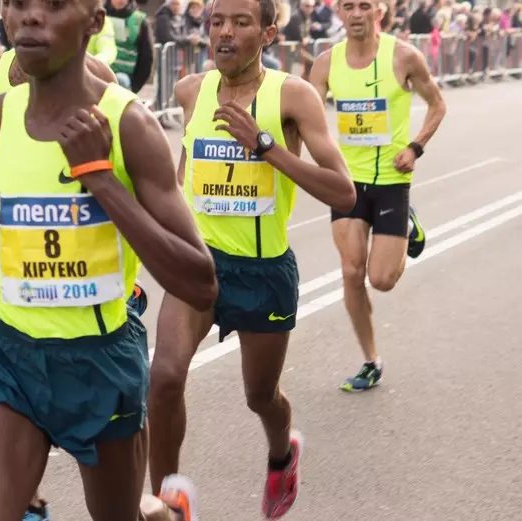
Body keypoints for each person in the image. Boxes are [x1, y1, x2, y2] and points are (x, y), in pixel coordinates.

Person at [0, 0, 215, 518]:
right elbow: (8, 206)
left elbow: (200, 282)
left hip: (99, 360)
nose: (30, 17)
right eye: (18, 5)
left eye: (54, 6)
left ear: (93, 21)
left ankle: (165, 511)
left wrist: (103, 179)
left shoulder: (127, 122)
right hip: (6, 351)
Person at [147, 0, 358, 518]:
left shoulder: (294, 95)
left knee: (261, 396)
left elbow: (344, 193)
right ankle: (165, 500)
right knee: (165, 376)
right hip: (201, 265)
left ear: (266, 34)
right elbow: (182, 175)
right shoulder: (191, 91)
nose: (223, 33)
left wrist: (265, 146)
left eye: (240, 23)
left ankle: (282, 454)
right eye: (216, 21)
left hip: (264, 273)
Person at [308, 0, 445, 393]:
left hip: (391, 179)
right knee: (351, 271)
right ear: (339, 13)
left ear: (378, 11)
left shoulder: (403, 56)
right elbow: (308, 112)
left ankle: (406, 220)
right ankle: (371, 360)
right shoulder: (326, 63)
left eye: (363, 6)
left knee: (381, 279)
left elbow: (437, 104)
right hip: (347, 182)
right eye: (347, 6)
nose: (355, 14)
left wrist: (416, 147)